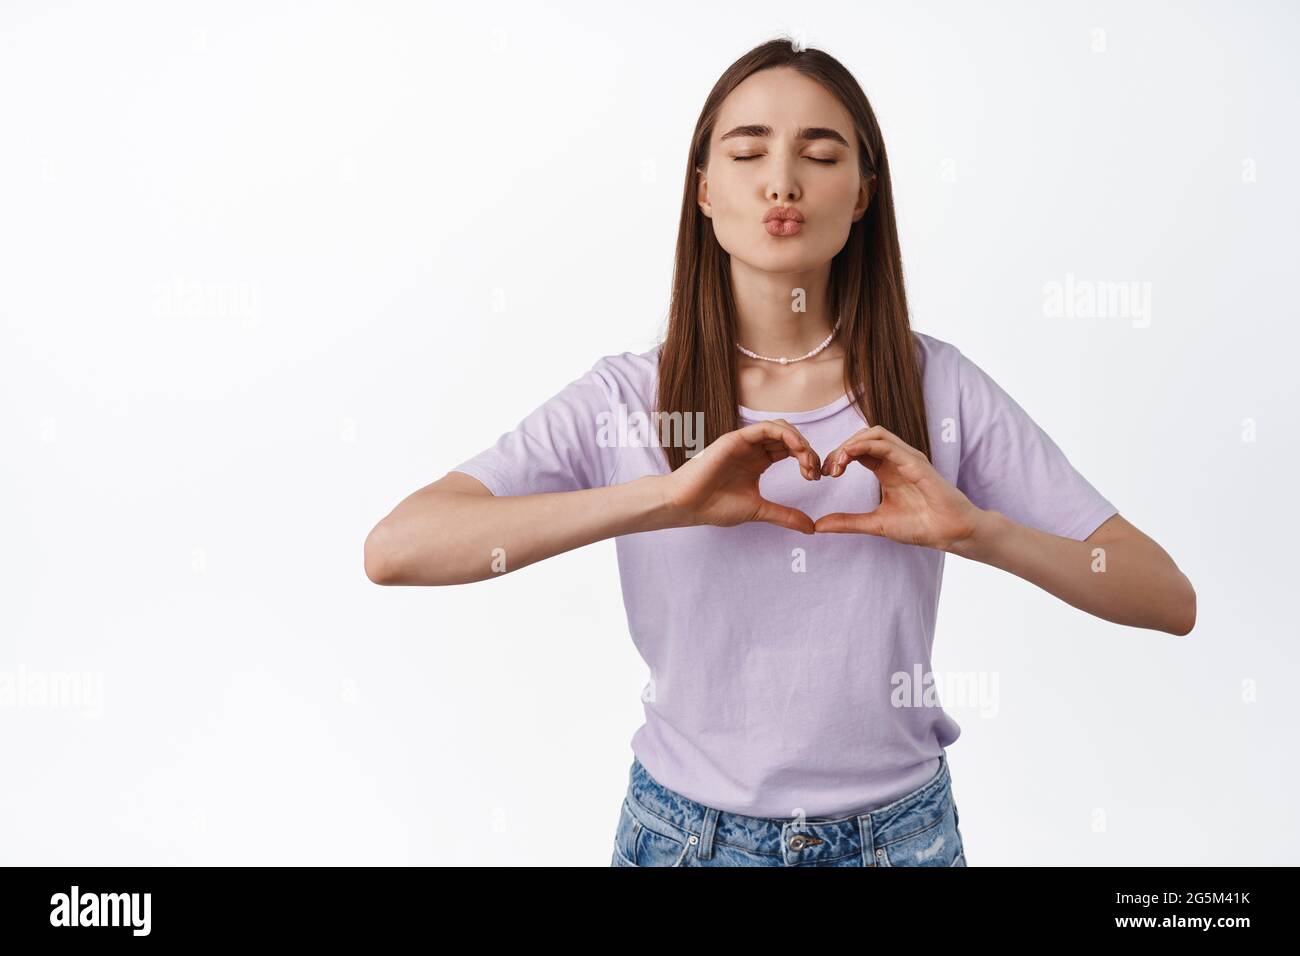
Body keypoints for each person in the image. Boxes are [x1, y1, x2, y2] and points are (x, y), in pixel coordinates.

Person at [363, 37, 1196, 867]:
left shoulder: (939, 387)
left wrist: (977, 532)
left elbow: (1165, 596)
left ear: (865, 193)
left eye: (820, 153)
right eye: (749, 149)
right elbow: (398, 549)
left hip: (900, 842)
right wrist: (666, 498)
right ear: (702, 190)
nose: (782, 180)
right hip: (684, 841)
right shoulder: (625, 398)